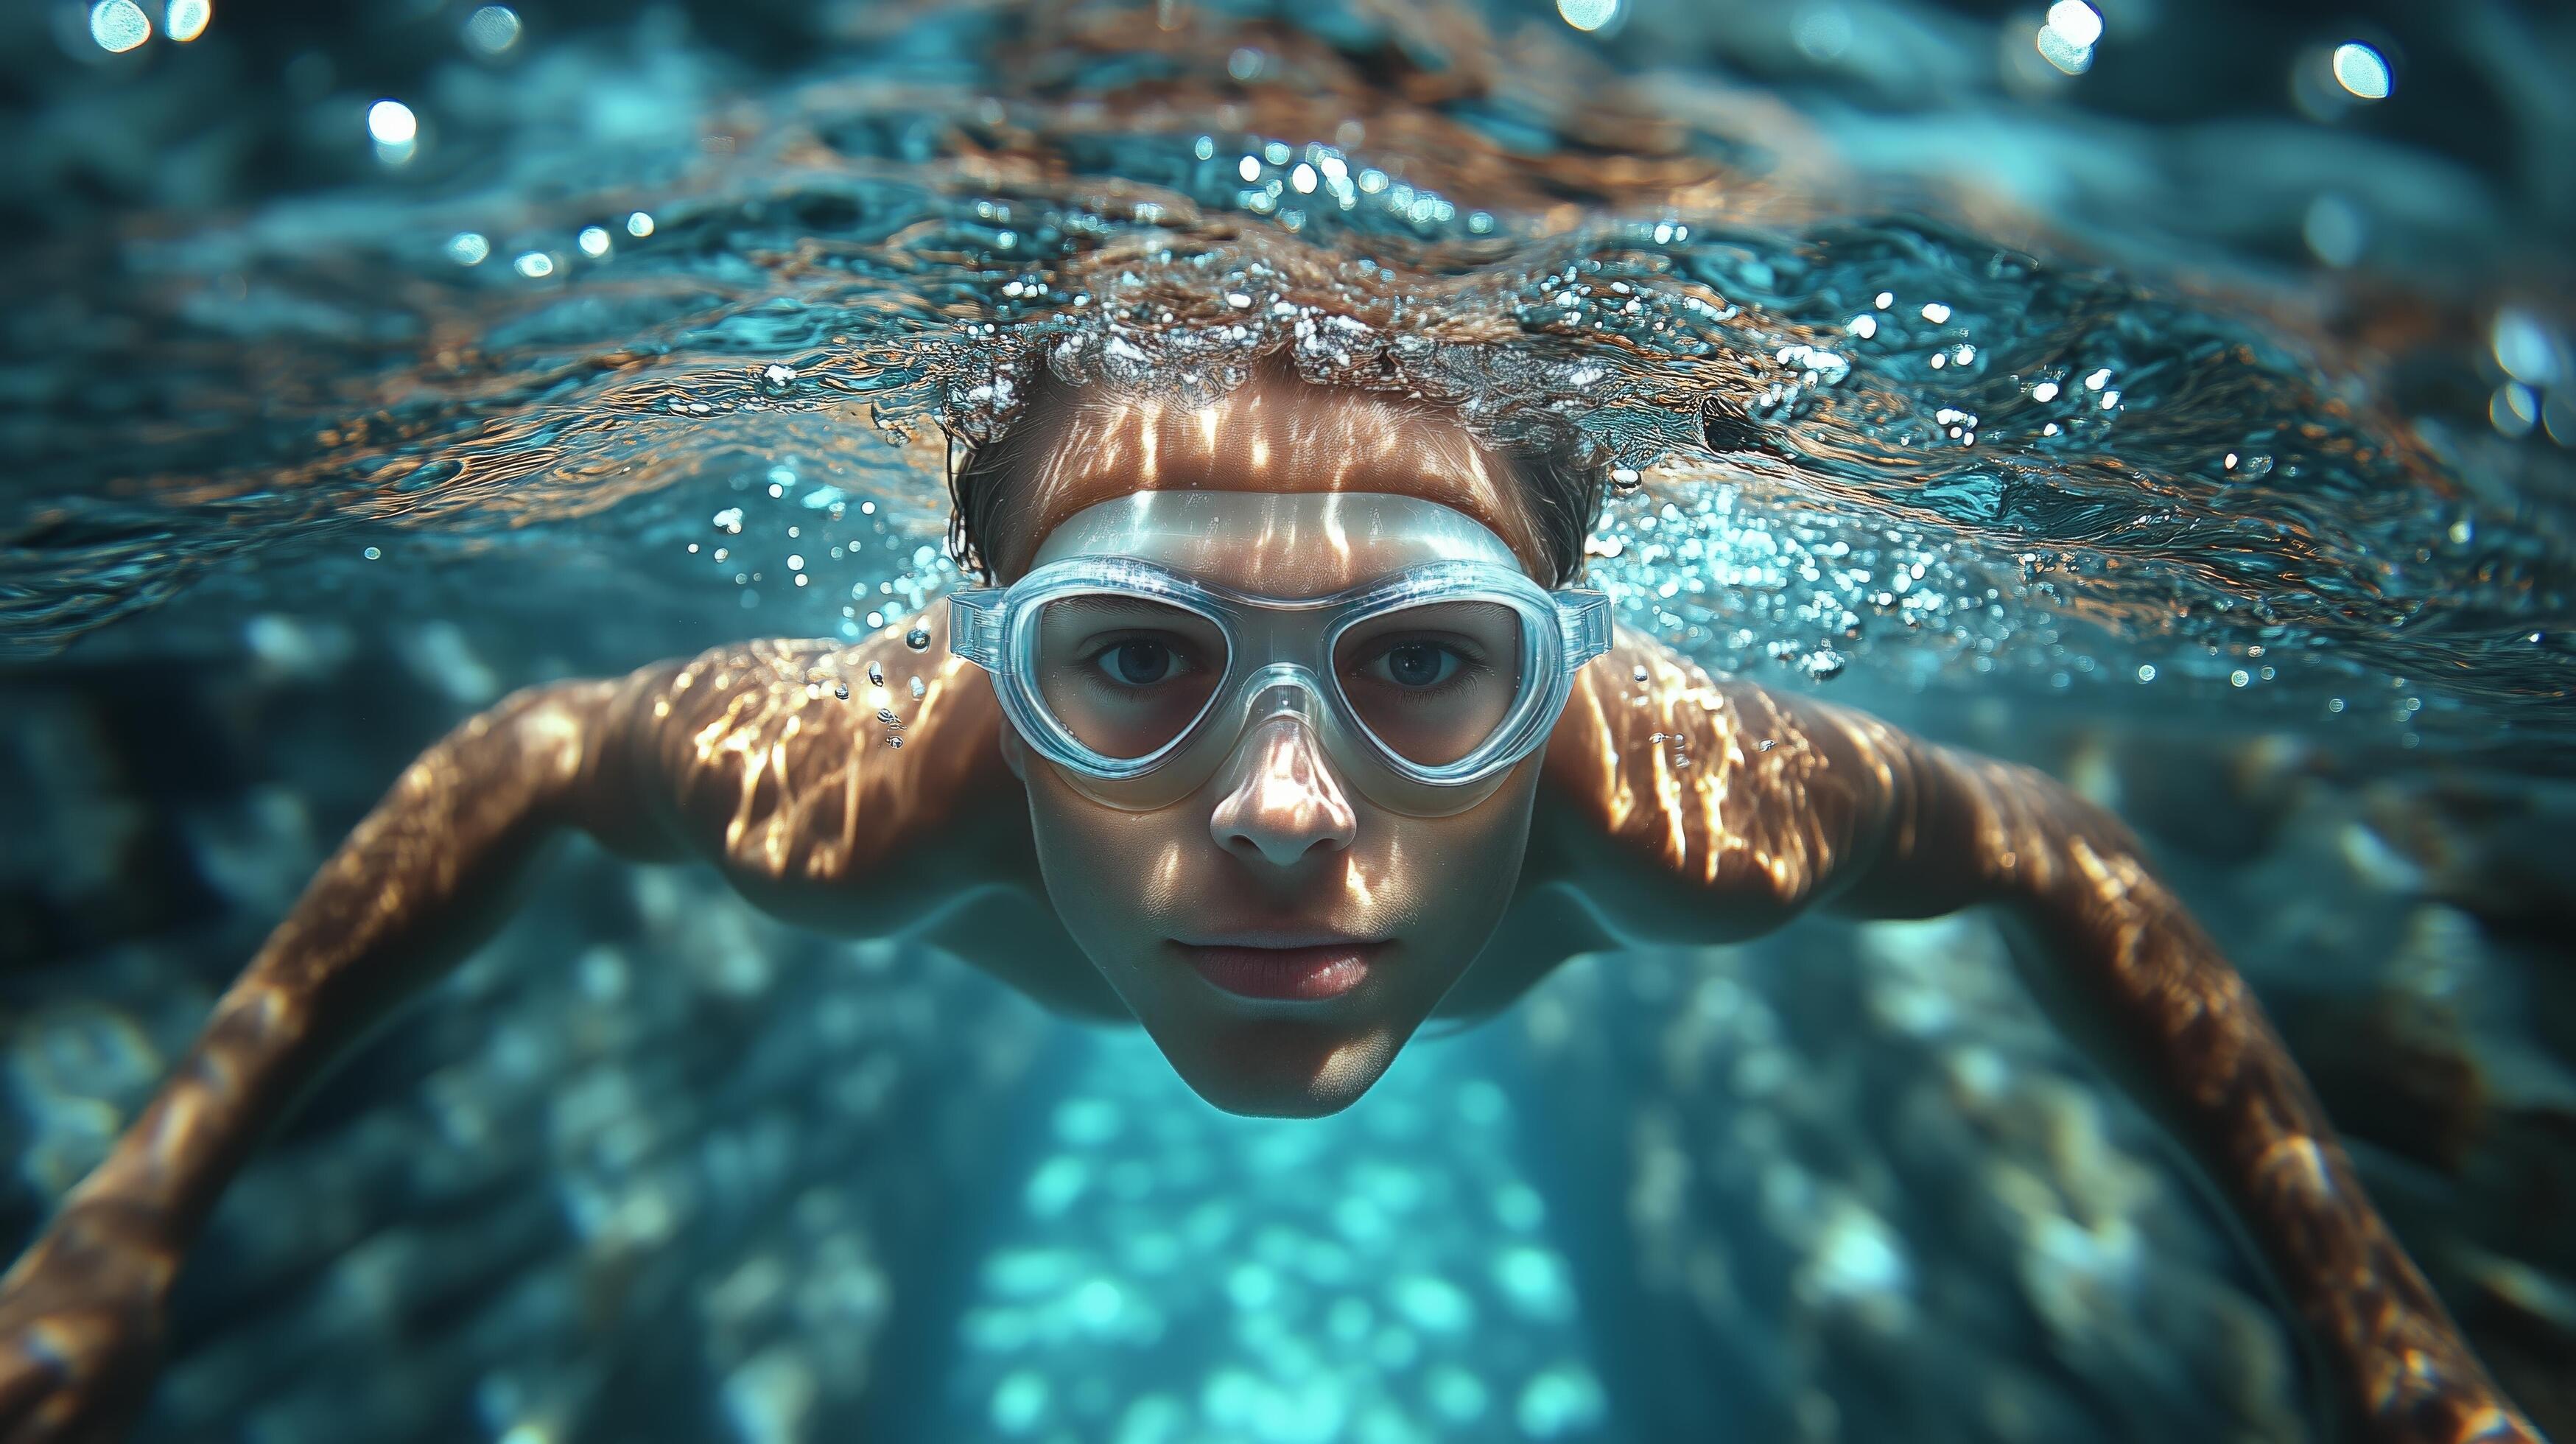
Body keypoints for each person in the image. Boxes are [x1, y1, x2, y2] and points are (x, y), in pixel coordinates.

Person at [0, 361, 2541, 1444]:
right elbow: (525, 757)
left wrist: (2366, 1314)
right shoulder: (877, 792)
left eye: (1436, 667)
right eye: (1131, 663)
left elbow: (2063, 852)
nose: (1293, 811)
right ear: (984, 667)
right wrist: (140, 1201)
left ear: (1572, 670)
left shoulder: (1673, 808)